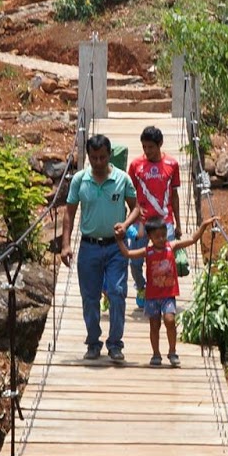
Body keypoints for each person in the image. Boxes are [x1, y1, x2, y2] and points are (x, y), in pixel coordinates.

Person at [60, 134, 137, 362]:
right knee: (90, 297)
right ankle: (93, 342)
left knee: (116, 292)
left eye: (103, 157)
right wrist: (65, 244)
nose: (99, 162)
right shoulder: (79, 180)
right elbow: (69, 212)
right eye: (94, 158)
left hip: (116, 247)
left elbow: (136, 208)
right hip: (89, 246)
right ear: (88, 157)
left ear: (109, 155)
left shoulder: (123, 179)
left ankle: (115, 344)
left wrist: (125, 224)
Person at [114, 215, 215, 367]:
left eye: (163, 235)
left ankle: (172, 351)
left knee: (170, 320)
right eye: (157, 237)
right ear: (150, 237)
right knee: (154, 325)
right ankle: (156, 354)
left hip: (168, 295)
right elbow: (128, 254)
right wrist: (119, 240)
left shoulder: (171, 246)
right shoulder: (147, 251)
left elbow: (192, 240)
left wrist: (203, 225)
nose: (161, 239)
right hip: (152, 296)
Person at [123, 125, 182, 309]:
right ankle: (142, 287)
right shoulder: (135, 165)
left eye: (151, 147)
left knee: (166, 259)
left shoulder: (172, 165)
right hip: (143, 222)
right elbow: (128, 192)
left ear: (160, 144)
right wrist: (131, 214)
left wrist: (179, 224)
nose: (147, 151)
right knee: (135, 262)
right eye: (144, 147)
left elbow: (174, 195)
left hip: (165, 221)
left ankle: (164, 295)